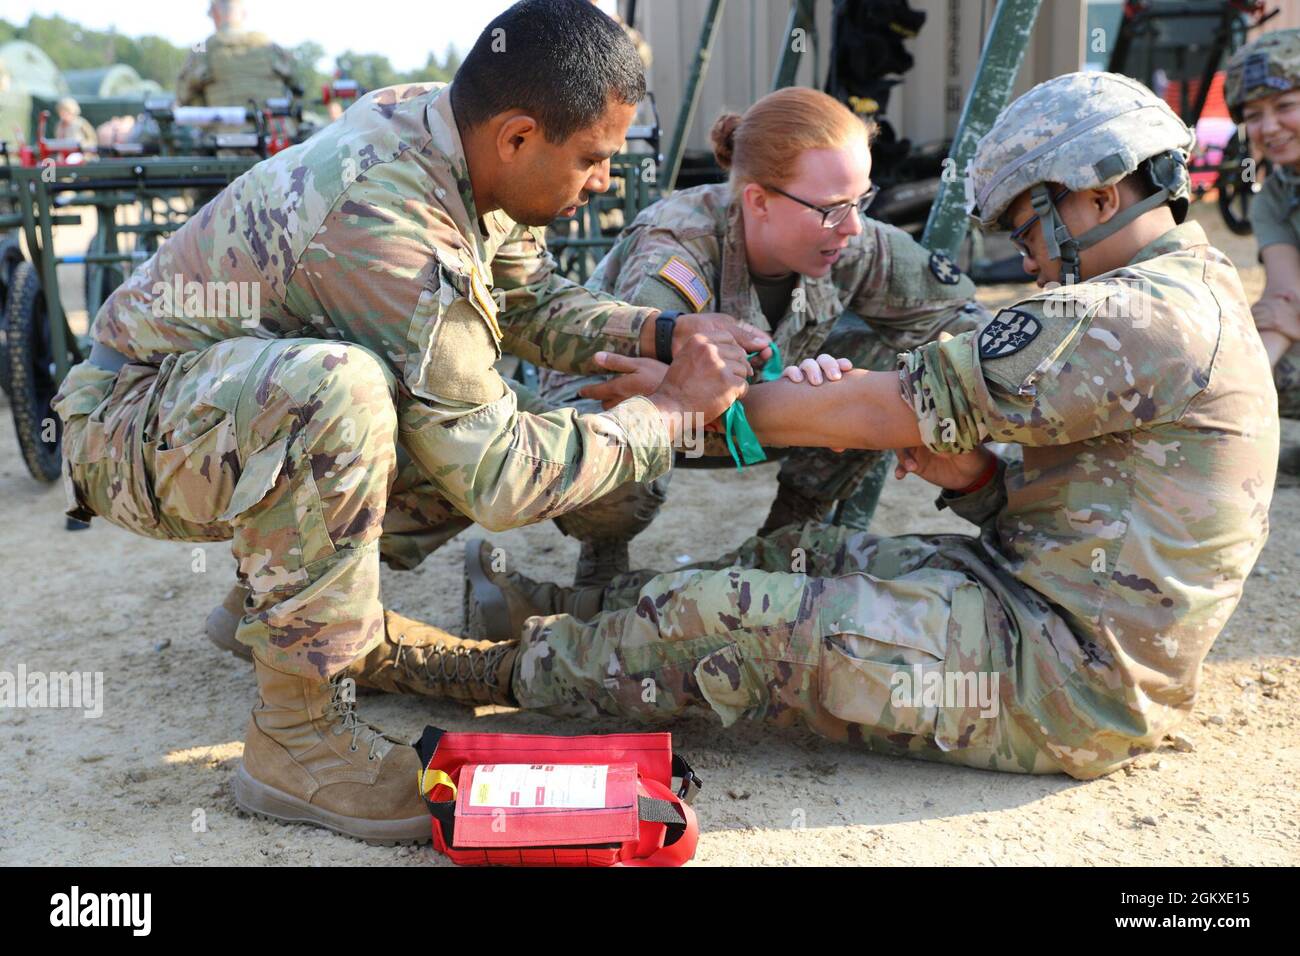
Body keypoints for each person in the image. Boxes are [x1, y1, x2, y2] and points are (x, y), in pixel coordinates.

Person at [401, 72, 1279, 781]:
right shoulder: (1173, 296)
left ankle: (466, 670)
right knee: (799, 558)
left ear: (1100, 192)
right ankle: (563, 608)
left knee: (732, 617)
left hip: (1055, 679)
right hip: (1039, 611)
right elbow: (1104, 511)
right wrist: (975, 482)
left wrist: (688, 402)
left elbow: (881, 405)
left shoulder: (1134, 318)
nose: (1025, 253)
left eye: (1027, 223)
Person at [52, 0, 763, 843]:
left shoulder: (454, 131)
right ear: (519, 137)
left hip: (215, 412)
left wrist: (664, 333)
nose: (603, 180)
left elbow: (525, 297)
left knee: (421, 407)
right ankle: (298, 737)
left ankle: (270, 605)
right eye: (593, 160)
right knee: (347, 392)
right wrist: (672, 409)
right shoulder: (394, 224)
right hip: (129, 424)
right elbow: (500, 476)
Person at [536, 87, 986, 585]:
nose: (855, 227)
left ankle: (789, 534)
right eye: (834, 208)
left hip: (744, 410)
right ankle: (604, 548)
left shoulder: (846, 236)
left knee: (891, 366)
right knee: (615, 458)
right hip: (638, 409)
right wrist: (799, 401)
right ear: (758, 200)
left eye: (862, 201)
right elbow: (637, 386)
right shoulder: (678, 244)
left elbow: (963, 324)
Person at [1224, 27, 1300, 473]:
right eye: (1254, 115)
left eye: (1285, 107)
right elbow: (1284, 300)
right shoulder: (1274, 196)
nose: (1268, 128)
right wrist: (1244, 383)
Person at [176, 0, 298, 137]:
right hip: (278, 141)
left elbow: (182, 95)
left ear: (215, 13)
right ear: (244, 14)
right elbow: (298, 89)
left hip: (227, 142)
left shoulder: (201, 48)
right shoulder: (271, 47)